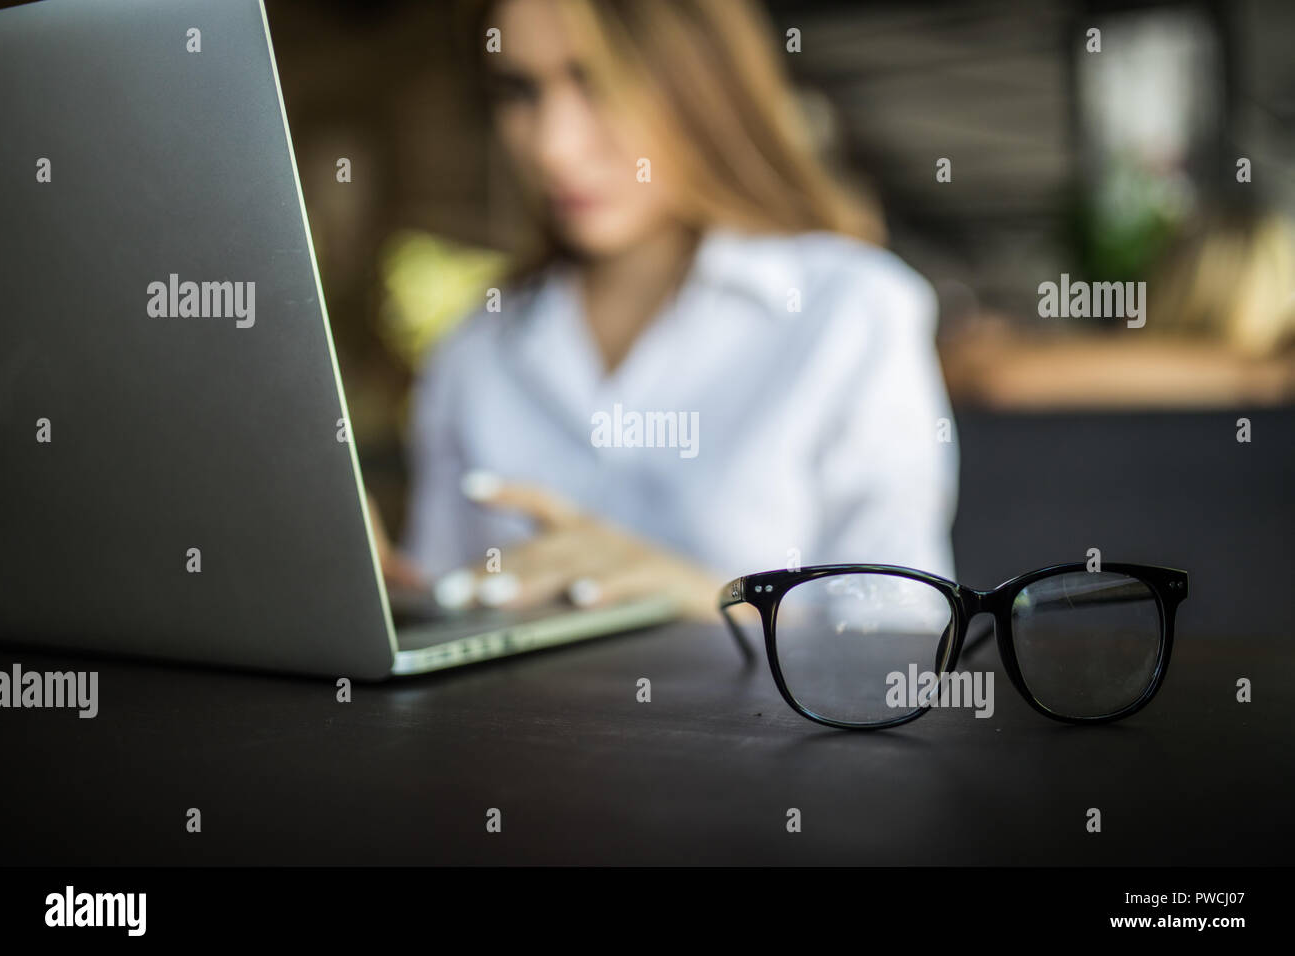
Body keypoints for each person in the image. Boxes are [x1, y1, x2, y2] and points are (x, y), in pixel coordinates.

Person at [372, 0, 958, 621]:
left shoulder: (850, 309)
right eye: (519, 91)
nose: (553, 146)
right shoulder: (475, 350)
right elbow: (445, 607)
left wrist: (703, 600)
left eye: (595, 81)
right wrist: (393, 595)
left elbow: (902, 634)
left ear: (699, 80)